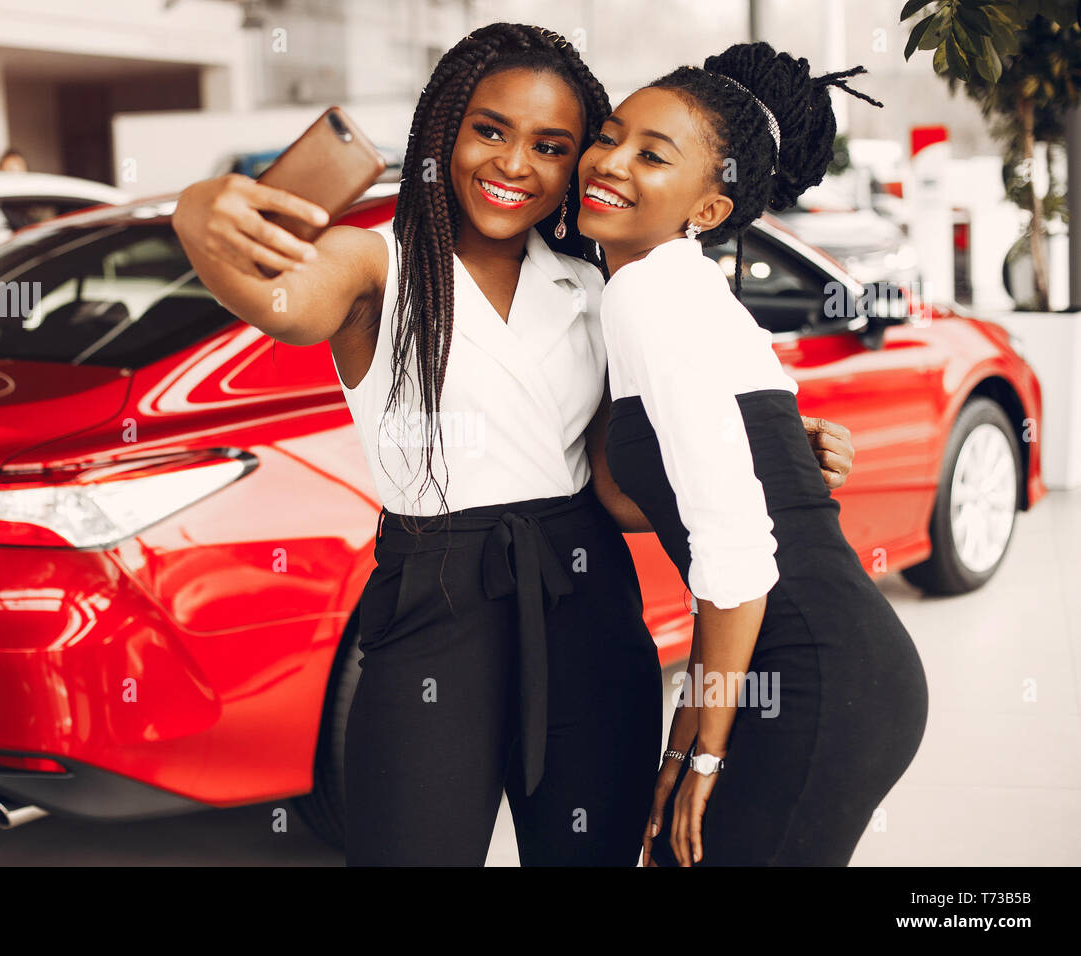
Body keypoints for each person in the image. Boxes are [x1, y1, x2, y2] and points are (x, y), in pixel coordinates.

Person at [173, 23, 855, 867]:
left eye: (552, 145)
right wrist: (200, 213)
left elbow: (620, 493)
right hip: (433, 605)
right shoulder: (372, 265)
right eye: (489, 130)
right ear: (443, 132)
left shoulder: (596, 284)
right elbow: (279, 300)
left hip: (589, 600)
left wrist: (768, 449)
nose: (514, 165)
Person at [576, 41, 928, 866]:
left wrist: (701, 746)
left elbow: (734, 547)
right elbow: (641, 496)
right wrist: (691, 729)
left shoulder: (651, 293)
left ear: (707, 210)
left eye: (652, 155)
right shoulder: (676, 291)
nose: (610, 161)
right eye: (611, 134)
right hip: (822, 659)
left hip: (812, 670)